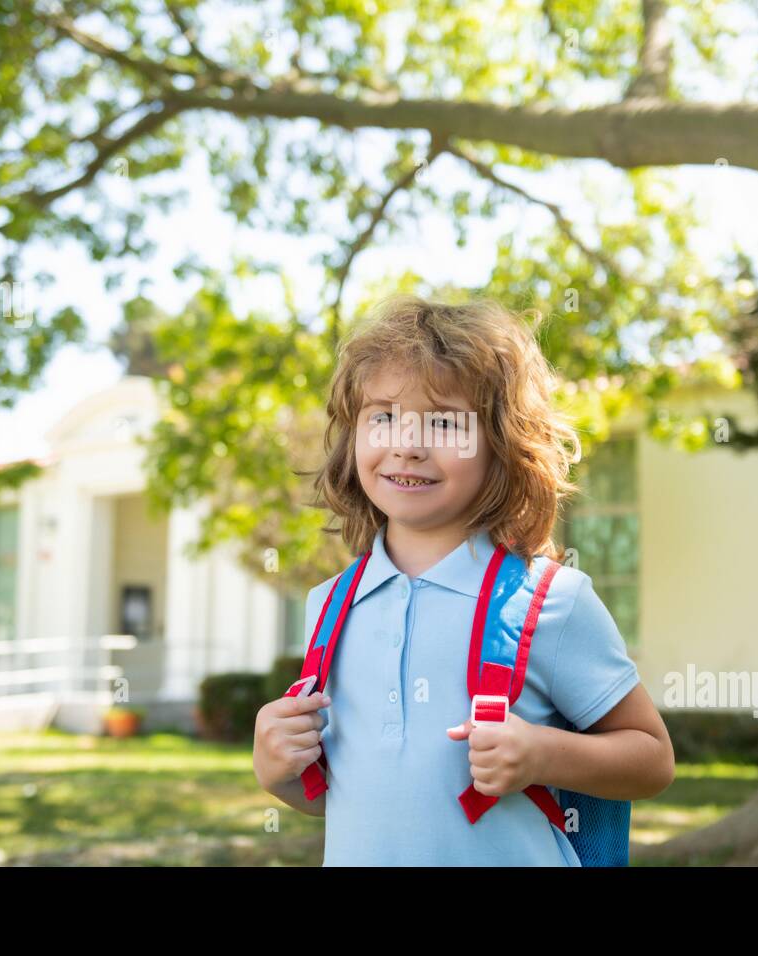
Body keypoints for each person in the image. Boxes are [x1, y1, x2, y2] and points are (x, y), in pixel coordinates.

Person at [253, 293, 674, 865]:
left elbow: (652, 760)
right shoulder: (327, 608)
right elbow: (348, 798)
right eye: (383, 416)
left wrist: (541, 754)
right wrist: (278, 772)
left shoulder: (551, 602)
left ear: (502, 445)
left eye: (445, 423)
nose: (407, 444)